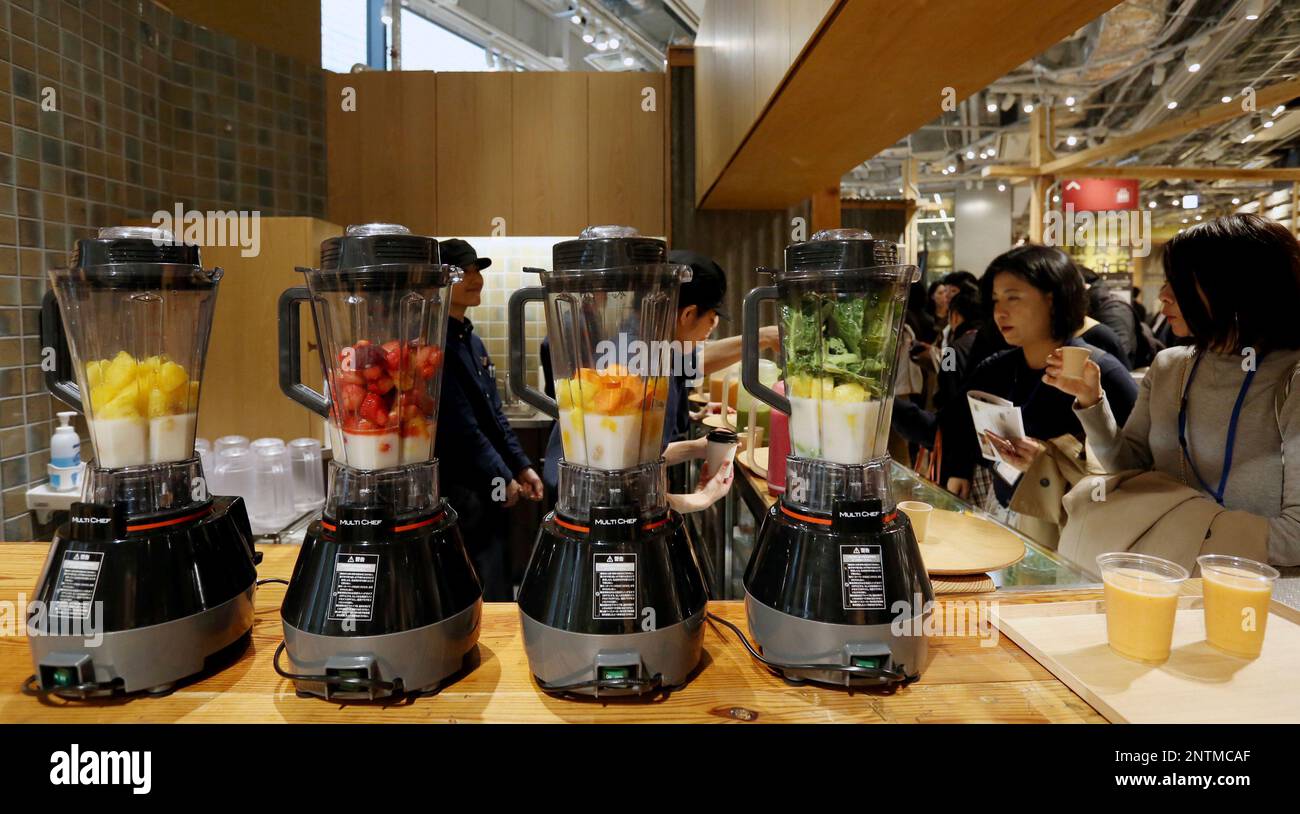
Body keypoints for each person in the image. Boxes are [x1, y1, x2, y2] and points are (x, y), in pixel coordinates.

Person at [1044, 214, 1300, 566]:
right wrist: (1092, 402)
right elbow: (1128, 465)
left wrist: (1191, 535)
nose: (1163, 296)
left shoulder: (1292, 381)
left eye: (1180, 283)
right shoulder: (1171, 366)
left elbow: (1296, 535)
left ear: (1236, 288)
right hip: (1160, 572)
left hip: (1251, 591)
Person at [539, 249, 779, 505]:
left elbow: (637, 454)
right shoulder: (637, 364)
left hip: (579, 498)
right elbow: (619, 492)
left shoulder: (652, 345)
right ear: (687, 315)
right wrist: (703, 498)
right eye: (711, 319)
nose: (712, 329)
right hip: (586, 506)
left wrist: (697, 447)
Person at [941, 246, 1138, 512]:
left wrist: (1050, 462)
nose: (1000, 312)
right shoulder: (995, 368)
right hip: (1006, 510)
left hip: (1075, 524)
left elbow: (1134, 470)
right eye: (996, 299)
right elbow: (958, 421)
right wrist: (960, 468)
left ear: (1053, 299)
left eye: (1013, 298)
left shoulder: (1099, 372)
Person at [435, 239, 543, 600]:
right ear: (440, 282)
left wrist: (521, 466)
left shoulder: (472, 340)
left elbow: (494, 415)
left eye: (476, 270)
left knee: (499, 577)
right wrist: (502, 475)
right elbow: (461, 427)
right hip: (462, 489)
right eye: (462, 272)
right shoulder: (437, 345)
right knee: (479, 580)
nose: (474, 278)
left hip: (488, 486)